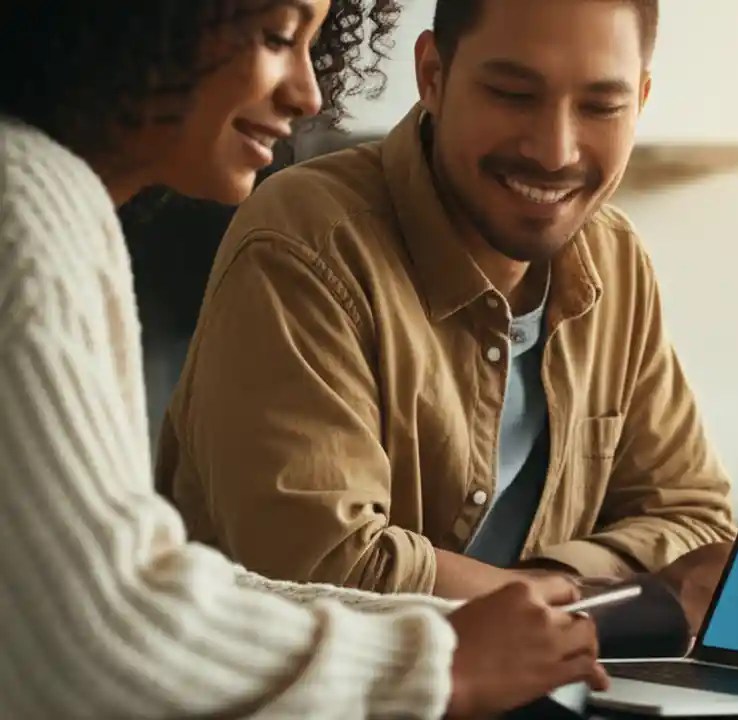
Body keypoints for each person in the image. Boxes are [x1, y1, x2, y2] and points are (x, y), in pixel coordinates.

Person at [0, 2, 608, 717]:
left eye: (315, 44)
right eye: (277, 36)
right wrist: (431, 668)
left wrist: (439, 633)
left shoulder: (44, 196)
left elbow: (143, 591)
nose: (308, 92)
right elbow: (101, 636)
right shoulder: (26, 204)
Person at [155, 0, 738, 602]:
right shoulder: (307, 240)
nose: (555, 151)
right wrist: (573, 601)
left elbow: (698, 528)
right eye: (513, 94)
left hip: (551, 692)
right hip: (320, 696)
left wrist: (553, 585)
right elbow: (325, 566)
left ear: (640, 101)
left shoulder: (614, 259)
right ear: (433, 76)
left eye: (600, 107)